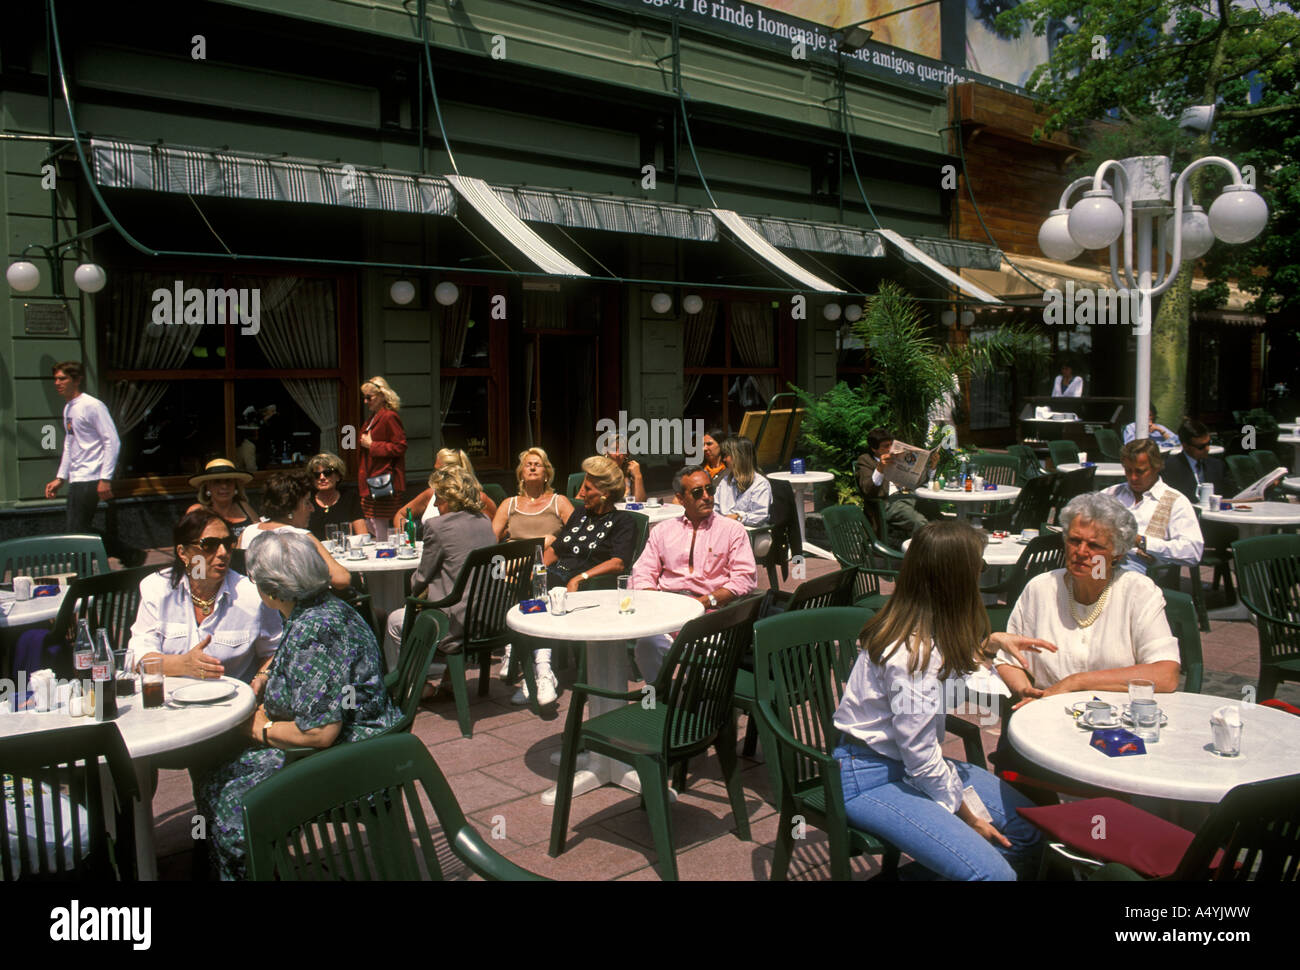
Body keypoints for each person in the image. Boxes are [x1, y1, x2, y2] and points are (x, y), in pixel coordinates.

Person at [832, 519, 1043, 881]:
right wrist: (967, 817)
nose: (982, 575)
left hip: (908, 763)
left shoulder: (926, 628)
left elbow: (948, 668)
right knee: (994, 876)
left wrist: (989, 644)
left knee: (1028, 832)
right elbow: (920, 758)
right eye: (979, 568)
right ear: (956, 580)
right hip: (872, 775)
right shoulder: (911, 655)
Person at [195, 529, 401, 880]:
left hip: (351, 760)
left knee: (228, 796)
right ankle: (265, 861)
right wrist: (263, 679)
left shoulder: (314, 628)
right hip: (365, 740)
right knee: (216, 767)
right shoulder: (322, 607)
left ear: (271, 589)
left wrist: (261, 728)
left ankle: (251, 865)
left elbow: (320, 732)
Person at [995, 492, 1181, 708]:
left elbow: (1166, 674)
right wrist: (1025, 691)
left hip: (1115, 720)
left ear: (1118, 554)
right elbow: (1008, 660)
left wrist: (1078, 681)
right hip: (1048, 711)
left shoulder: (1138, 592)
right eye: (1074, 541)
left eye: (1095, 546)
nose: (1081, 552)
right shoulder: (1041, 588)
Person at [513, 456, 638, 707]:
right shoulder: (580, 513)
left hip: (586, 584)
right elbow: (557, 548)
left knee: (541, 596)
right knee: (532, 584)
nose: (580, 493)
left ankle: (538, 670)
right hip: (555, 577)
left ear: (604, 494)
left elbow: (618, 562)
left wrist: (581, 577)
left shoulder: (623, 521)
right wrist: (536, 569)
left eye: (588, 488)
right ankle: (542, 669)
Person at [630, 465, 756, 683]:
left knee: (707, 664)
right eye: (698, 492)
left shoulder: (732, 530)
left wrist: (705, 602)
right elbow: (642, 572)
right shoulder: (663, 530)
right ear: (680, 498)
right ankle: (664, 702)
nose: (706, 496)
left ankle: (706, 707)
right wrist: (654, 601)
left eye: (710, 490)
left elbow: (744, 578)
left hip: (710, 614)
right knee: (647, 646)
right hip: (667, 613)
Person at [128, 509, 282, 684]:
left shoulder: (252, 595)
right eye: (209, 545)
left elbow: (275, 652)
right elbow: (137, 658)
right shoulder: (157, 589)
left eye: (228, 543)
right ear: (183, 552)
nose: (223, 552)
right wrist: (182, 664)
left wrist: (262, 677)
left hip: (233, 703)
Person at [384, 466, 497, 679]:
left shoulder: (437, 526)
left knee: (394, 621)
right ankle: (448, 681)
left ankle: (409, 685)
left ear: (450, 498)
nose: (435, 504)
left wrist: (413, 589)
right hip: (488, 621)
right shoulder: (484, 521)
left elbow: (421, 579)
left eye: (438, 498)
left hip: (455, 627)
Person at [44, 360, 143, 565]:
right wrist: (60, 477)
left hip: (91, 476)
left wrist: (105, 478)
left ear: (77, 380)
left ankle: (127, 554)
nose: (57, 383)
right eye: (55, 379)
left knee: (77, 531)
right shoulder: (69, 408)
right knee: (77, 530)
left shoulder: (93, 406)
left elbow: (112, 441)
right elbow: (70, 443)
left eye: (62, 378)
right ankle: (127, 554)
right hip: (77, 476)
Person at [1102, 439, 1203, 576]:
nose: (1133, 477)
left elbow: (1193, 552)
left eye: (1140, 471)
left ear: (1156, 467)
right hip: (1103, 558)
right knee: (1068, 574)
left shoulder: (1175, 501)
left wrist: (1142, 542)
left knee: (1098, 579)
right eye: (1128, 470)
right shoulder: (1111, 494)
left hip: (1140, 569)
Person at [239, 471, 353, 590]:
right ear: (290, 507)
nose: (312, 508)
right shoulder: (300, 536)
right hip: (288, 605)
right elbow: (342, 579)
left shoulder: (248, 532)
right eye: (307, 502)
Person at [855, 427, 932, 545]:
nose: (890, 449)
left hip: (908, 496)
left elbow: (920, 482)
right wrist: (880, 468)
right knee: (920, 522)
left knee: (937, 517)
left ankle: (941, 555)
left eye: (892, 445)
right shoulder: (866, 460)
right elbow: (867, 489)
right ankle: (919, 559)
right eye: (885, 446)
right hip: (888, 502)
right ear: (874, 449)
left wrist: (932, 467)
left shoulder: (899, 458)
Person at [391, 448, 498, 529]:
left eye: (439, 471)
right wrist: (405, 537)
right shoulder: (430, 494)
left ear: (454, 472)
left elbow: (496, 532)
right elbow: (401, 514)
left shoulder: (479, 499)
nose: (435, 474)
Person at [492, 447, 573, 545]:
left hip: (546, 557)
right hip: (516, 557)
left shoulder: (559, 502)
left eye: (537, 465)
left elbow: (577, 532)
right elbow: (492, 538)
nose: (532, 468)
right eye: (528, 465)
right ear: (521, 475)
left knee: (549, 539)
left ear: (546, 475)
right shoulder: (508, 504)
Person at [359, 376, 407, 538]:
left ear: (381, 396)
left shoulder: (389, 416)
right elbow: (354, 443)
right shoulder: (371, 418)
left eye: (369, 397)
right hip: (371, 480)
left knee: (381, 527)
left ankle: (385, 554)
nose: (365, 402)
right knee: (372, 523)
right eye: (364, 398)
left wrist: (372, 446)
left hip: (384, 480)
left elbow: (400, 446)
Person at [715, 435, 773, 558]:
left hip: (751, 533)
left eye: (727, 455)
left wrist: (738, 517)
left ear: (739, 457)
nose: (724, 459)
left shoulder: (760, 483)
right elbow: (715, 508)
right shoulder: (725, 481)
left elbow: (759, 517)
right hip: (725, 531)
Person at [187, 458, 259, 541]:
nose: (224, 486)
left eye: (228, 481)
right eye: (217, 481)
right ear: (208, 486)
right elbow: (188, 547)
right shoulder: (198, 511)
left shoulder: (244, 507)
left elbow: (262, 535)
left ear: (235, 485)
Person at [1162, 419, 1228, 501]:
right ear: (1185, 446)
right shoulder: (1169, 468)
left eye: (1209, 443)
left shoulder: (1217, 466)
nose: (1207, 449)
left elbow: (1229, 495)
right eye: (1201, 447)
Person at [305, 452, 365, 540]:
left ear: (338, 476)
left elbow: (362, 535)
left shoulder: (350, 498)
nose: (322, 477)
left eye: (327, 473)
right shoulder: (306, 500)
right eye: (316, 475)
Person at [603, 436, 647, 503]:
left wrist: (638, 476)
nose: (617, 454)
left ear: (626, 454)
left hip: (626, 512)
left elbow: (640, 503)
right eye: (613, 450)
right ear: (606, 452)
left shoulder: (630, 471)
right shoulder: (598, 471)